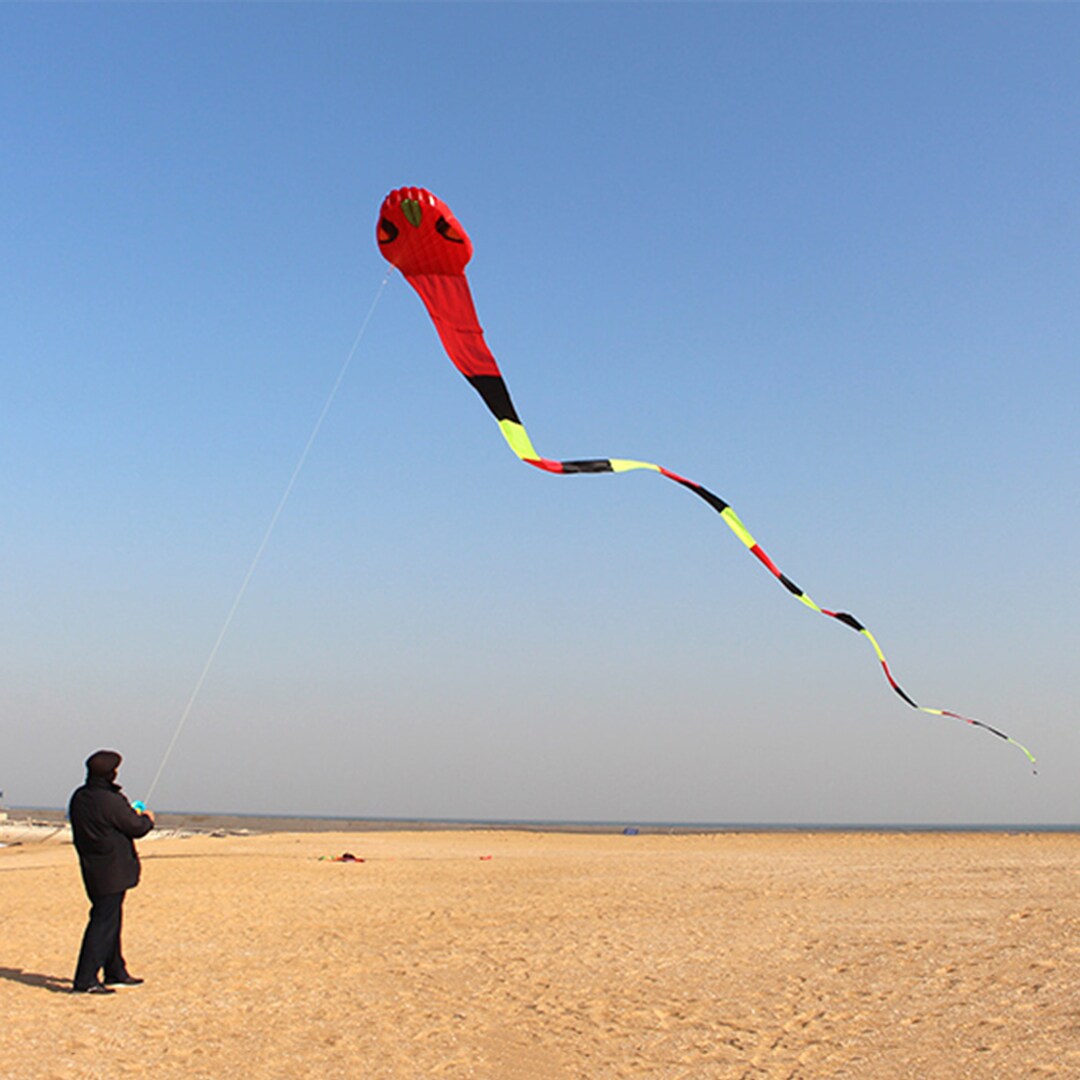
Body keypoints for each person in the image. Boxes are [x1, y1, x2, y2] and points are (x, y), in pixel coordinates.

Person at [69, 749, 154, 994]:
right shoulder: (109, 800)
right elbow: (135, 827)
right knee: (103, 922)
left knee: (111, 919)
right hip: (110, 870)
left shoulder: (81, 796)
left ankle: (115, 970)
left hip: (93, 868)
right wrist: (148, 818)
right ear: (110, 773)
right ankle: (85, 980)